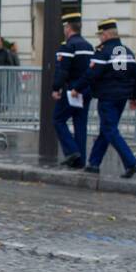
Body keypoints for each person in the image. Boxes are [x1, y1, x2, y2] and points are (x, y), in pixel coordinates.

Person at [72, 17, 136, 178]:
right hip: (122, 98)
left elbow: (91, 74)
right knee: (106, 130)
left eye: (100, 35)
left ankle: (131, 163)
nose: (99, 38)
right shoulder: (127, 52)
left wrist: (77, 88)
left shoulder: (103, 52)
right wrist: (134, 96)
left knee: (110, 130)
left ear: (105, 35)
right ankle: (94, 163)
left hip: (107, 98)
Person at [50, 13, 93, 168]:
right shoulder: (89, 46)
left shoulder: (68, 45)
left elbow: (63, 70)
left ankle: (72, 151)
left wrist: (56, 88)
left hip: (71, 90)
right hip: (85, 90)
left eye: (64, 27)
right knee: (80, 124)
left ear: (68, 27)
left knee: (58, 119)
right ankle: (79, 161)